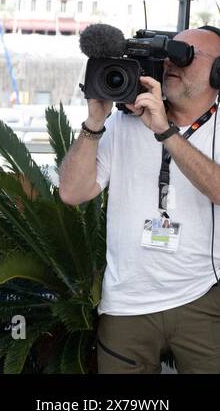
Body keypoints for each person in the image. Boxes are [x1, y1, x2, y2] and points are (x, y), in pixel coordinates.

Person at [59, 25, 220, 373]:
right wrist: (94, 122)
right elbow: (72, 192)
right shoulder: (124, 123)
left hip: (202, 295)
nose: (171, 63)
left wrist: (165, 131)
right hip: (127, 301)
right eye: (168, 55)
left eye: (186, 56)